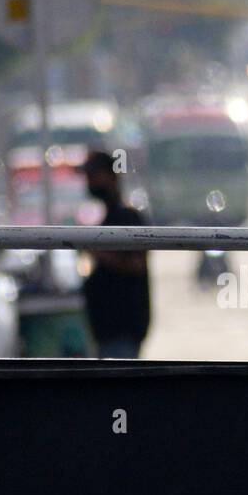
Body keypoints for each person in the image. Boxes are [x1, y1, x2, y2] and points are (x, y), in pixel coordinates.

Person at [79, 149, 151, 359]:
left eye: (94, 175)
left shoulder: (128, 218)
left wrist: (96, 251)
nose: (89, 182)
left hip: (122, 330)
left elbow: (136, 264)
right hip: (109, 332)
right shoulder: (108, 218)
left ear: (111, 176)